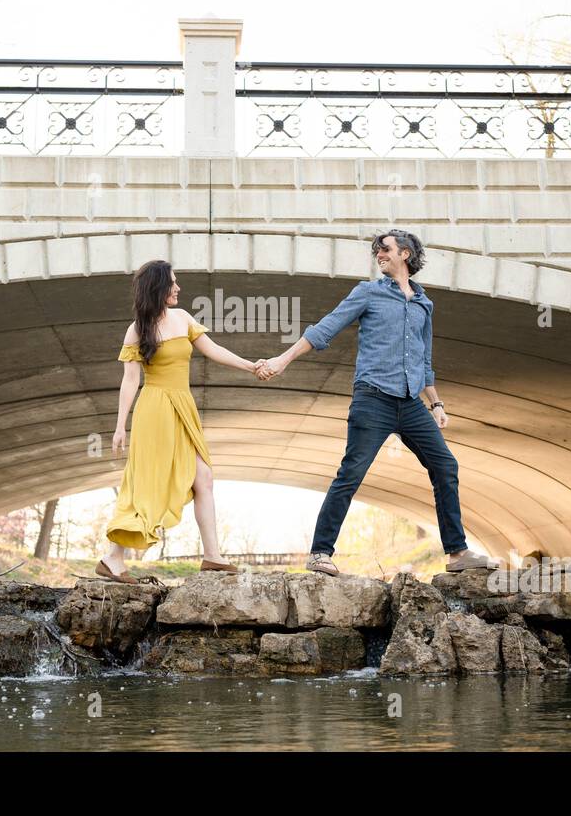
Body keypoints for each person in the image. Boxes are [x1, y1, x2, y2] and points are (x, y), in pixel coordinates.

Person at [256, 229, 496, 577]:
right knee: (351, 474)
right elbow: (324, 329)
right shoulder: (367, 293)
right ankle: (320, 553)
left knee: (445, 466)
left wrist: (437, 404)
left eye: (385, 250)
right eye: (377, 251)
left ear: (406, 254)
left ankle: (457, 552)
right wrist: (282, 359)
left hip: (411, 404)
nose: (379, 255)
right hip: (373, 399)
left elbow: (424, 360)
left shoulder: (423, 305)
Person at [97, 259, 267, 583]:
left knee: (203, 477)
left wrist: (250, 366)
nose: (178, 288)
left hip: (182, 407)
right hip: (155, 412)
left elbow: (214, 350)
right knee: (148, 483)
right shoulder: (137, 330)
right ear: (158, 288)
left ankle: (212, 556)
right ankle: (113, 556)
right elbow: (130, 380)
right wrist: (120, 426)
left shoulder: (183, 318)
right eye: (173, 283)